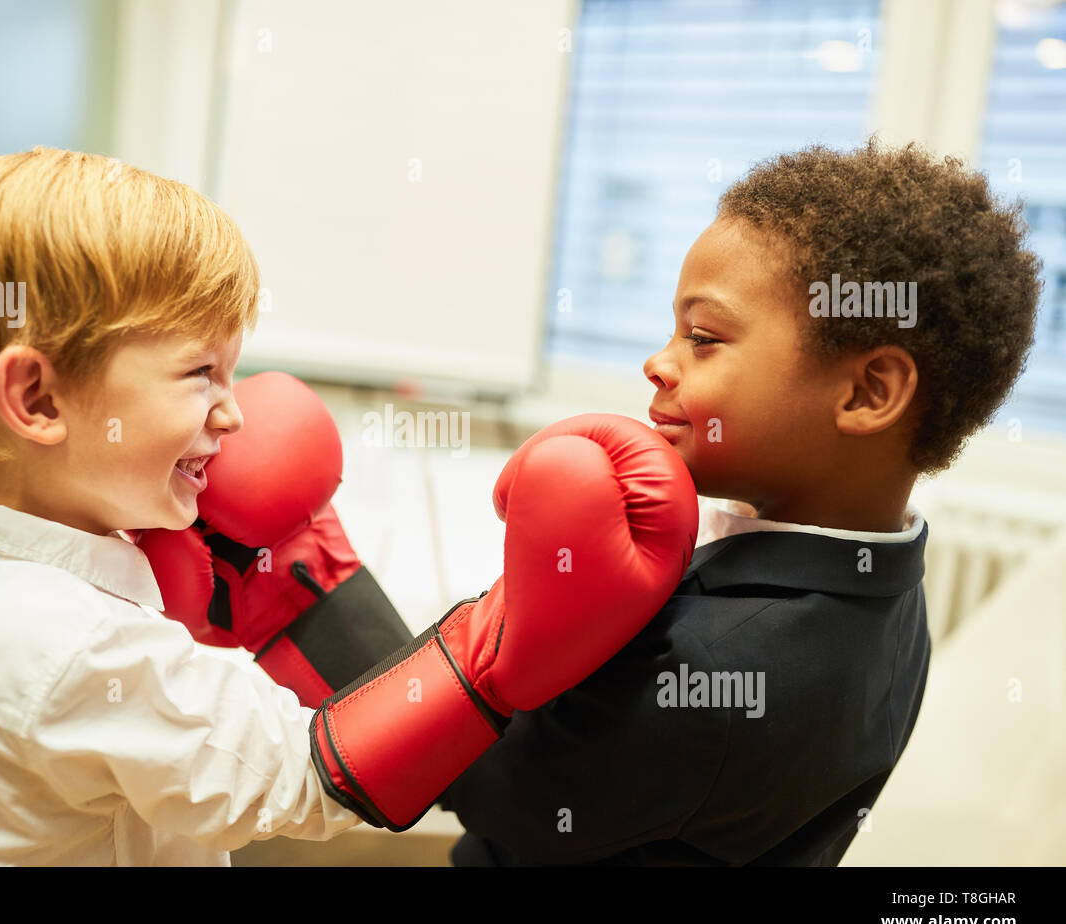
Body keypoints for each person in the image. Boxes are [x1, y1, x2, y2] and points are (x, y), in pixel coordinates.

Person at [0, 147, 698, 865]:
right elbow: (305, 779)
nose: (234, 412)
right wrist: (504, 640)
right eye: (199, 373)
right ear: (38, 399)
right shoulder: (77, 647)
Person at [436, 137, 1042, 866]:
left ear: (867, 392)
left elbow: (478, 786)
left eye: (702, 337)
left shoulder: (720, 670)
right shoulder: (888, 592)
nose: (659, 363)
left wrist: (325, 576)